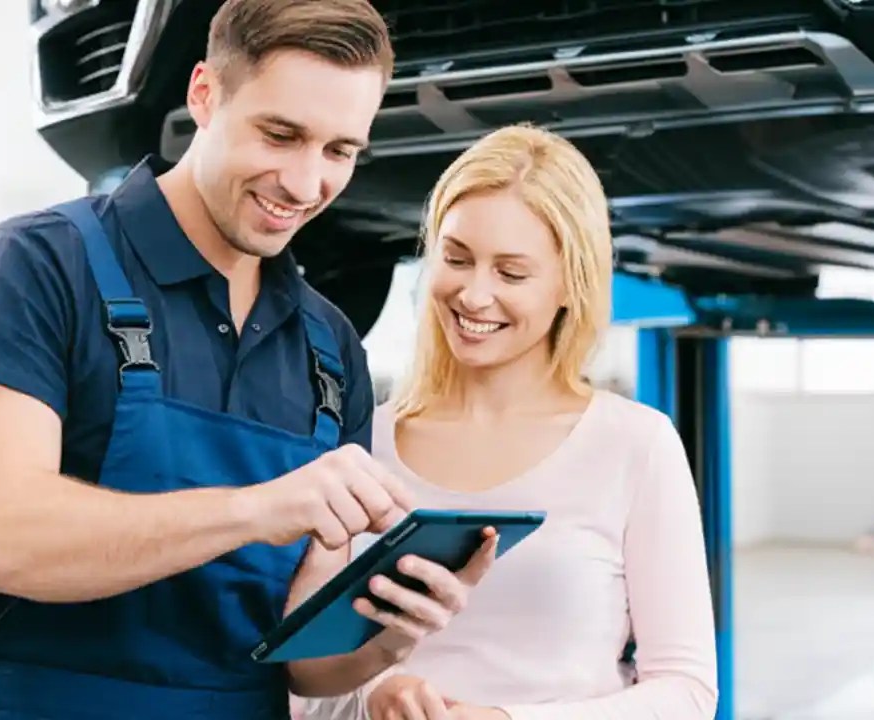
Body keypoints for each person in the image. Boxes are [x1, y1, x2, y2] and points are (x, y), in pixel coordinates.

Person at [0, 2, 497, 718]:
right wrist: (254, 510)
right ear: (204, 94)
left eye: (339, 151)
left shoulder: (330, 348)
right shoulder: (42, 265)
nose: (304, 183)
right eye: (280, 134)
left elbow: (304, 665)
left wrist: (390, 632)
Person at [296, 124, 719, 720]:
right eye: (457, 258)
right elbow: (298, 683)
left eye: (512, 273)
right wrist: (371, 696)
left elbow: (686, 693)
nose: (473, 294)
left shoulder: (635, 445)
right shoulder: (363, 445)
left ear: (571, 284)